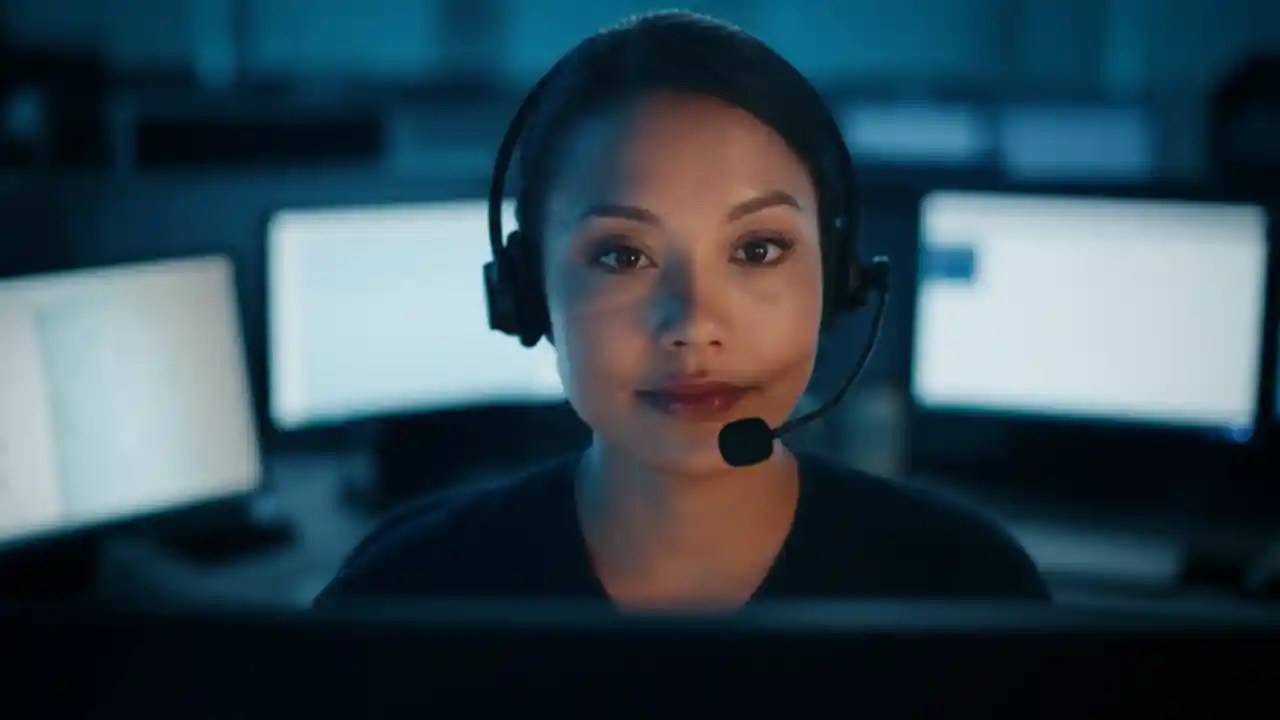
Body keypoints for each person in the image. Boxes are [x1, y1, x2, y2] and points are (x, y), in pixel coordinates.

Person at [314, 11, 1048, 612]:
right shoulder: (401, 597)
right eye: (622, 255)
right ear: (528, 292)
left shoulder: (969, 591)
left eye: (758, 249)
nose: (695, 323)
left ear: (838, 275)